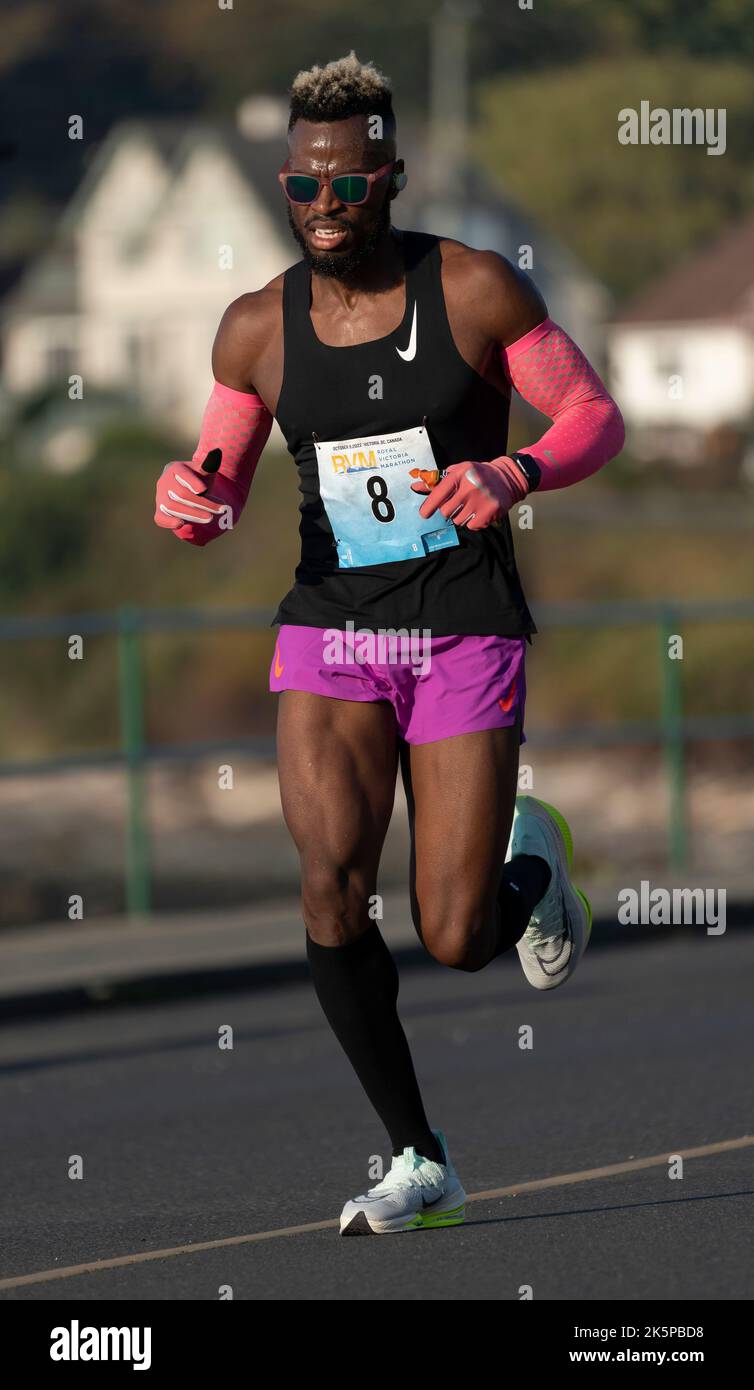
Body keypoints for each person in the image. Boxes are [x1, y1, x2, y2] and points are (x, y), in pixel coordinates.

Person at [154, 52, 625, 1236]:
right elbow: (220, 476)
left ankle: (532, 871)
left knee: (458, 935)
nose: (323, 209)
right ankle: (419, 1154)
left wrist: (513, 468)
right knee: (329, 887)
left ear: (390, 178)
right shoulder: (255, 329)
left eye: (347, 188)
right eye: (302, 190)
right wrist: (195, 501)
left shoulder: (471, 291)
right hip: (332, 628)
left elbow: (592, 416)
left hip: (461, 621)